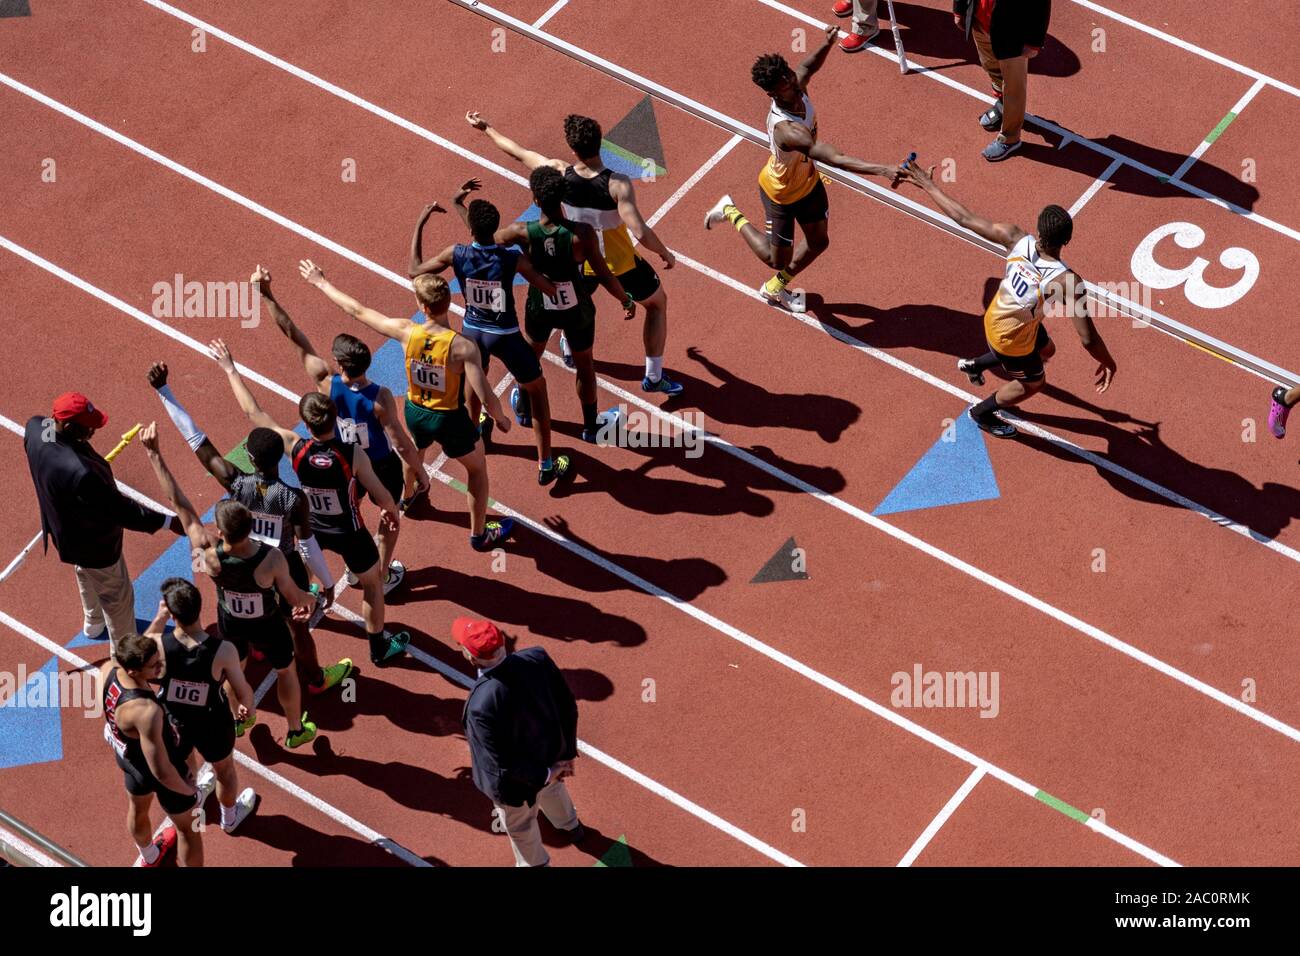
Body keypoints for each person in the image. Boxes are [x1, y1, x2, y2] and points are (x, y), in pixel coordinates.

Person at [147, 361, 353, 695]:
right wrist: (328, 584)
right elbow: (306, 545)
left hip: (244, 564)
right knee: (298, 628)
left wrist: (165, 392)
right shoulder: (293, 499)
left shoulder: (236, 483)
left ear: (251, 460)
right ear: (277, 460)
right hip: (283, 566)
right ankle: (315, 679)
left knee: (245, 615)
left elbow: (197, 441)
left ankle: (253, 658)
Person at [210, 339, 412, 666]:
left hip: (310, 526)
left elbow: (253, 412)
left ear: (306, 425)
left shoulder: (295, 448)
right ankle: (377, 647)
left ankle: (301, 604)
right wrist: (390, 510)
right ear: (335, 418)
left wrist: (230, 368)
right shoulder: (352, 454)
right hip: (349, 530)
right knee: (372, 583)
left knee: (301, 566)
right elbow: (378, 491)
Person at [465, 110, 684, 397]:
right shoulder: (617, 184)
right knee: (656, 304)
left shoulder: (559, 173)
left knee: (568, 309)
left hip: (576, 259)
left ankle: (547, 365)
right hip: (617, 264)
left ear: (572, 148)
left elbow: (519, 153)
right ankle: (653, 377)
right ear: (600, 142)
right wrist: (665, 253)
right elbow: (640, 232)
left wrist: (487, 128)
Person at [300, 260, 517, 550]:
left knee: (413, 451)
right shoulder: (462, 346)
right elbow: (485, 393)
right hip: (449, 418)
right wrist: (500, 418)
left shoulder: (406, 331)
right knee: (477, 470)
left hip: (415, 412)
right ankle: (479, 535)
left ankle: (408, 497)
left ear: (423, 307)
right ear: (444, 303)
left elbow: (357, 311)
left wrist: (321, 282)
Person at [899, 159, 1116, 436]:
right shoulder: (1067, 281)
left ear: (1038, 230)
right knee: (1034, 384)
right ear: (1068, 240)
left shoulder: (1014, 237)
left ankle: (974, 364)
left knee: (1048, 350)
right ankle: (982, 413)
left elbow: (964, 218)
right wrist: (1110, 362)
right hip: (1010, 340)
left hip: (998, 317)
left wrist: (928, 184)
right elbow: (1088, 339)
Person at [141, 421, 320, 747]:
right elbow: (296, 598)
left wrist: (154, 454)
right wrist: (310, 600)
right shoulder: (272, 559)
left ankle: (239, 719)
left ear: (221, 533)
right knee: (285, 671)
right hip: (267, 624)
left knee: (232, 671)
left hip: (231, 623)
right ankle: (295, 731)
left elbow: (180, 503)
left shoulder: (209, 556)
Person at [255, 265, 426, 590]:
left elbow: (293, 334)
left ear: (342, 364)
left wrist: (267, 295)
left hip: (343, 462)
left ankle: (334, 574)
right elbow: (401, 442)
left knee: (349, 511)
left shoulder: (325, 383)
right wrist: (421, 472)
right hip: (379, 464)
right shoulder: (380, 398)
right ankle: (383, 572)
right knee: (390, 516)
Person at [703, 29, 900, 312]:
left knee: (819, 242)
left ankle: (776, 286)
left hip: (807, 183)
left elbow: (807, 66)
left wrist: (826, 43)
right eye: (785, 84)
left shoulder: (796, 85)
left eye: (790, 76)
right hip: (780, 193)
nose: (793, 84)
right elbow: (833, 157)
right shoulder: (787, 130)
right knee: (776, 259)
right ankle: (730, 211)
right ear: (772, 93)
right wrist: (882, 169)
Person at [409, 181, 572, 484]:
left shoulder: (456, 254)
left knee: (474, 378)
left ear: (470, 229)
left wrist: (421, 222)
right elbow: (547, 287)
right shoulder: (510, 258)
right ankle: (545, 462)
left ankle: (474, 441)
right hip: (505, 334)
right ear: (496, 229)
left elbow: (414, 270)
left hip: (472, 331)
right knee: (537, 390)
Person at [23, 393, 179, 656]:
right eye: (88, 426)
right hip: (95, 543)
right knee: (118, 599)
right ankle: (125, 656)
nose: (93, 430)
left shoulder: (38, 428)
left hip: (68, 534)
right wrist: (168, 522)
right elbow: (123, 511)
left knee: (84, 572)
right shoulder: (80, 473)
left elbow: (55, 452)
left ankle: (93, 623)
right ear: (70, 427)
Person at [492, 165, 634, 447]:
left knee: (529, 360)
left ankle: (524, 409)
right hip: (576, 309)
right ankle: (592, 426)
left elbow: (488, 242)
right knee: (585, 366)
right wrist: (624, 299)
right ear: (563, 197)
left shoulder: (521, 232)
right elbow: (603, 273)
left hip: (539, 307)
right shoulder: (581, 235)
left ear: (535, 199)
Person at [455, 617, 585, 867]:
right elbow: (568, 707)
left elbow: (500, 764)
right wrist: (564, 755)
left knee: (522, 827)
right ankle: (571, 826)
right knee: (554, 790)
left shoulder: (480, 705)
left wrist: (544, 774)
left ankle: (535, 865)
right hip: (550, 757)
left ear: (470, 658)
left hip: (517, 785)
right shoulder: (538, 658)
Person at [144, 580, 258, 833]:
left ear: (173, 613)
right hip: (213, 723)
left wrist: (161, 617)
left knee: (184, 761)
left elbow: (140, 649)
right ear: (200, 607)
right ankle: (230, 819)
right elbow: (243, 690)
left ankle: (195, 794)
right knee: (225, 770)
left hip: (174, 721)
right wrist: (248, 707)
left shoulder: (159, 647)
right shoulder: (224, 650)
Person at [101, 631, 203, 867]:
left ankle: (149, 857)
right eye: (153, 666)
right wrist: (189, 790)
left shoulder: (108, 670)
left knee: (137, 807)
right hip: (157, 770)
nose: (160, 667)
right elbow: (162, 770)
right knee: (189, 830)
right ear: (133, 671)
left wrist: (158, 619)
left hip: (129, 760)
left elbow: (107, 715)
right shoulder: (147, 711)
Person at [954, 0, 1053, 162]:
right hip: (979, 23)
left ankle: (1010, 138)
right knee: (991, 68)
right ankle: (1002, 104)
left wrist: (1034, 43)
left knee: (1014, 88)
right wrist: (959, 10)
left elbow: (1041, 4)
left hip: (1012, 35)